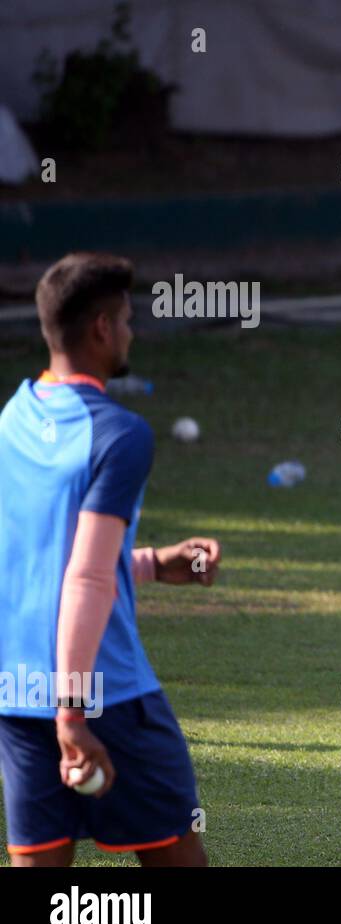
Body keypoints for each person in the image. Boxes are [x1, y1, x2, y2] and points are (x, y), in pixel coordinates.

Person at [0, 252, 220, 866]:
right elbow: (88, 574)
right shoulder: (119, 434)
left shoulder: (11, 421)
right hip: (107, 698)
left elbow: (37, 557)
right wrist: (73, 712)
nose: (130, 332)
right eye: (125, 320)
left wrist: (147, 563)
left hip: (18, 697)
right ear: (100, 329)